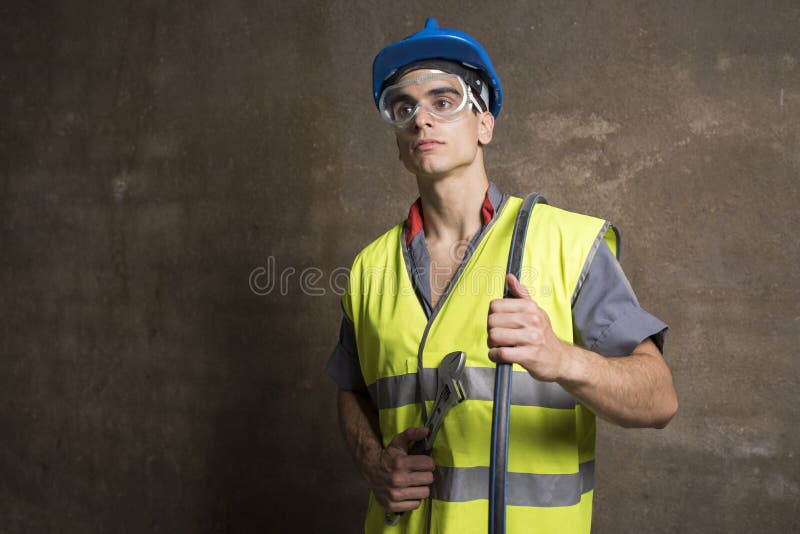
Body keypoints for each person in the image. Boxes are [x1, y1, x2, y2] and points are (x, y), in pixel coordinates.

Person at [325, 18, 678, 534]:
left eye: (444, 102)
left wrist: (563, 359)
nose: (422, 120)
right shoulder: (369, 269)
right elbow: (350, 390)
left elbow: (660, 399)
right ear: (399, 140)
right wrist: (375, 464)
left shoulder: (566, 244)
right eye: (405, 108)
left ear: (484, 123)